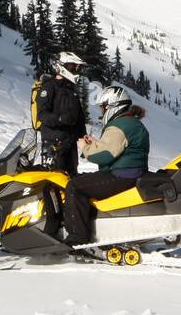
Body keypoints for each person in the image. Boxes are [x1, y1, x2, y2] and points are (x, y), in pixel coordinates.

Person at [61, 85, 151, 245]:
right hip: (131, 173)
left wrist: (85, 147)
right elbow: (116, 148)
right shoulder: (131, 122)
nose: (102, 112)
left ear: (114, 106)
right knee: (83, 181)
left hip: (121, 176)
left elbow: (104, 156)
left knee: (74, 186)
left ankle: (77, 236)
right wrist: (97, 143)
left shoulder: (119, 125)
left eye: (103, 108)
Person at [37, 52, 87, 175]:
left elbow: (79, 118)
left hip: (70, 142)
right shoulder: (49, 87)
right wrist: (59, 119)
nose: (75, 70)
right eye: (72, 67)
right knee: (54, 178)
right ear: (62, 66)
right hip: (54, 143)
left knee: (71, 178)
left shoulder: (71, 90)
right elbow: (42, 114)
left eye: (76, 68)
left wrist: (84, 138)